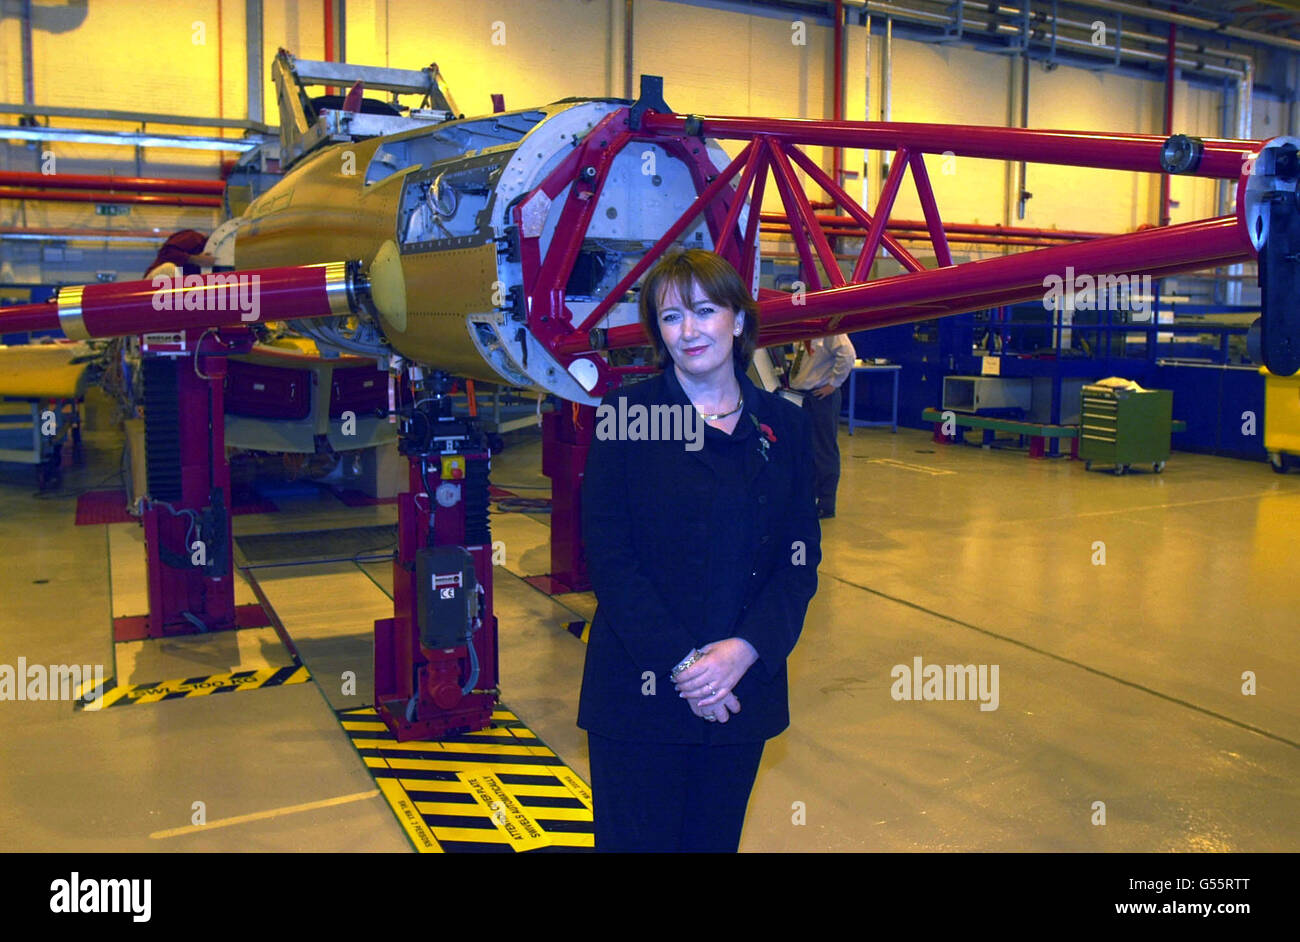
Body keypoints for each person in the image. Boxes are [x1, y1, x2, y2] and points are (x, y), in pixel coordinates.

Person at [577, 248, 821, 852]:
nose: (688, 331)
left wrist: (745, 651)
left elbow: (799, 559)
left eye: (704, 311)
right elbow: (611, 559)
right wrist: (687, 668)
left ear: (738, 321)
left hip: (740, 694)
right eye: (670, 317)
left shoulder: (783, 428)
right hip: (642, 694)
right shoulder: (627, 417)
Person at [788, 333, 855, 518]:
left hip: (821, 396)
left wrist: (833, 384)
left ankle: (826, 503)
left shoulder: (830, 331)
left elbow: (848, 354)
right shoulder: (802, 330)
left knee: (823, 449)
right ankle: (809, 497)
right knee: (804, 450)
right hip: (802, 395)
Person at [144, 229, 214, 279]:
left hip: (174, 288)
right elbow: (166, 253)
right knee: (169, 268)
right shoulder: (195, 238)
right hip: (156, 280)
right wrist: (195, 259)